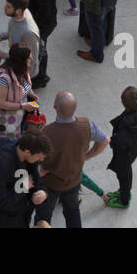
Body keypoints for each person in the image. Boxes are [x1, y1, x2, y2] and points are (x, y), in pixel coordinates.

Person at [34, 92, 109, 228]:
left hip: (50, 184)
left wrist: (38, 170)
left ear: (54, 107)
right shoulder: (87, 125)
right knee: (72, 212)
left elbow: (34, 158)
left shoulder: (46, 133)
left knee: (43, 216)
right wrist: (87, 155)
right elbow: (105, 141)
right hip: (73, 181)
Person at [0, 130, 52, 229]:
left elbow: (36, 183)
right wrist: (22, 187)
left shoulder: (30, 160)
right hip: (1, 222)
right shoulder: (0, 164)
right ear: (27, 152)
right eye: (39, 158)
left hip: (21, 218)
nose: (40, 161)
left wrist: (43, 193)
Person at [104, 86, 137, 209]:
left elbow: (120, 142)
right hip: (134, 147)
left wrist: (111, 141)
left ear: (123, 103)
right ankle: (126, 191)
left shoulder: (125, 123)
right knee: (127, 170)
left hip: (125, 152)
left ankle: (124, 200)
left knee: (122, 175)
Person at [0, 42, 37, 133]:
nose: (32, 59)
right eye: (29, 58)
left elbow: (23, 87)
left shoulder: (23, 71)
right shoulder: (4, 80)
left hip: (21, 111)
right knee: (10, 139)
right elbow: (1, 104)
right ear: (20, 62)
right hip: (9, 117)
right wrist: (23, 106)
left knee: (21, 128)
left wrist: (31, 93)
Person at [25, 0, 59, 89]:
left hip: (42, 25)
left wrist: (34, 25)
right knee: (39, 48)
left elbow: (44, 11)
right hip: (48, 21)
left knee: (40, 50)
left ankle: (41, 77)